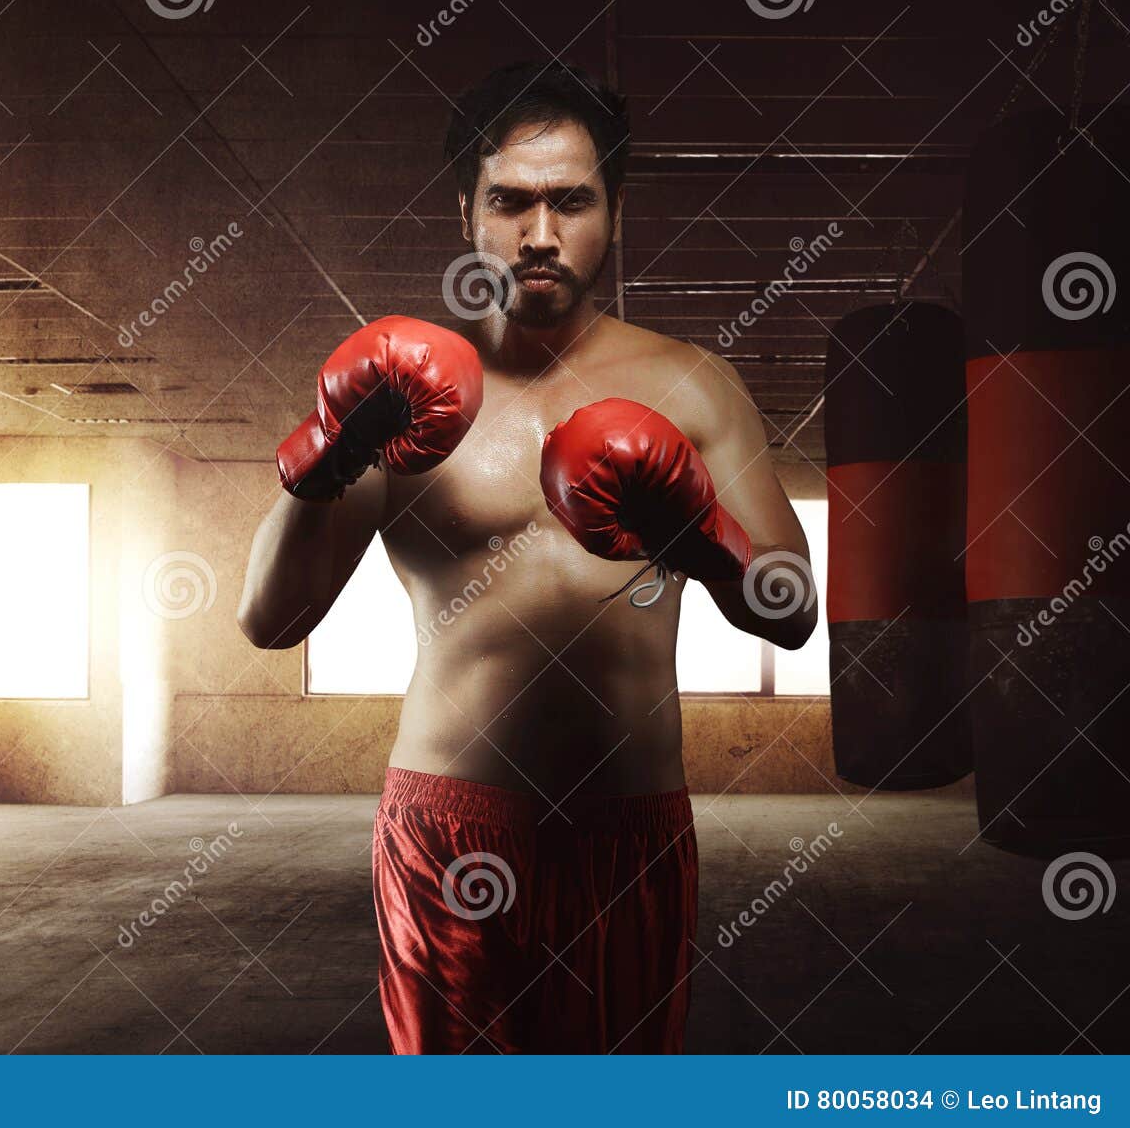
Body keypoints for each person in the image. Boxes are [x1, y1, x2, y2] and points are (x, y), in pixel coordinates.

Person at [237, 59, 817, 1054]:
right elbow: (269, 619)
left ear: (614, 211)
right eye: (509, 200)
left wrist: (699, 536)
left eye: (571, 201)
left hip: (628, 834)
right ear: (467, 211)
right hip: (447, 829)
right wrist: (327, 452)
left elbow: (793, 610)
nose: (540, 233)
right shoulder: (403, 391)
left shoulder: (695, 385)